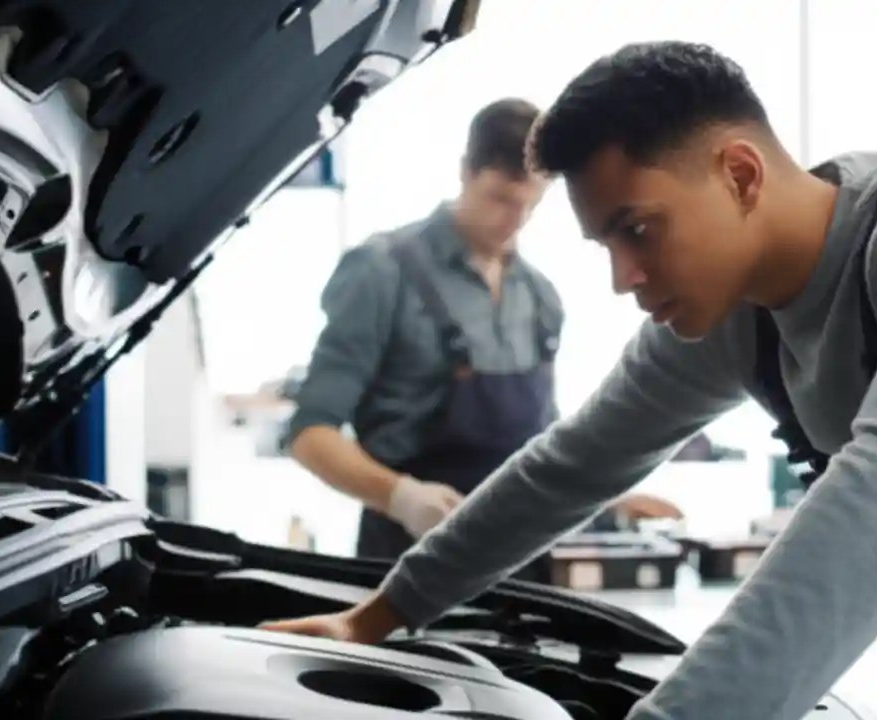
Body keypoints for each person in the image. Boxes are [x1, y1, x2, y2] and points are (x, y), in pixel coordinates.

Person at [265, 41, 877, 719]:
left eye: (639, 230)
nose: (622, 276)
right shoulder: (738, 317)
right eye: (603, 245)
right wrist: (380, 615)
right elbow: (571, 465)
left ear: (739, 174)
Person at [283, 97, 678, 577]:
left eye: (531, 203)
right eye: (501, 199)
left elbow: (544, 443)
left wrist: (608, 502)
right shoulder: (381, 273)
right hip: (405, 558)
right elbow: (310, 434)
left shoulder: (540, 297)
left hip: (521, 565)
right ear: (466, 171)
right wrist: (401, 497)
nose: (515, 220)